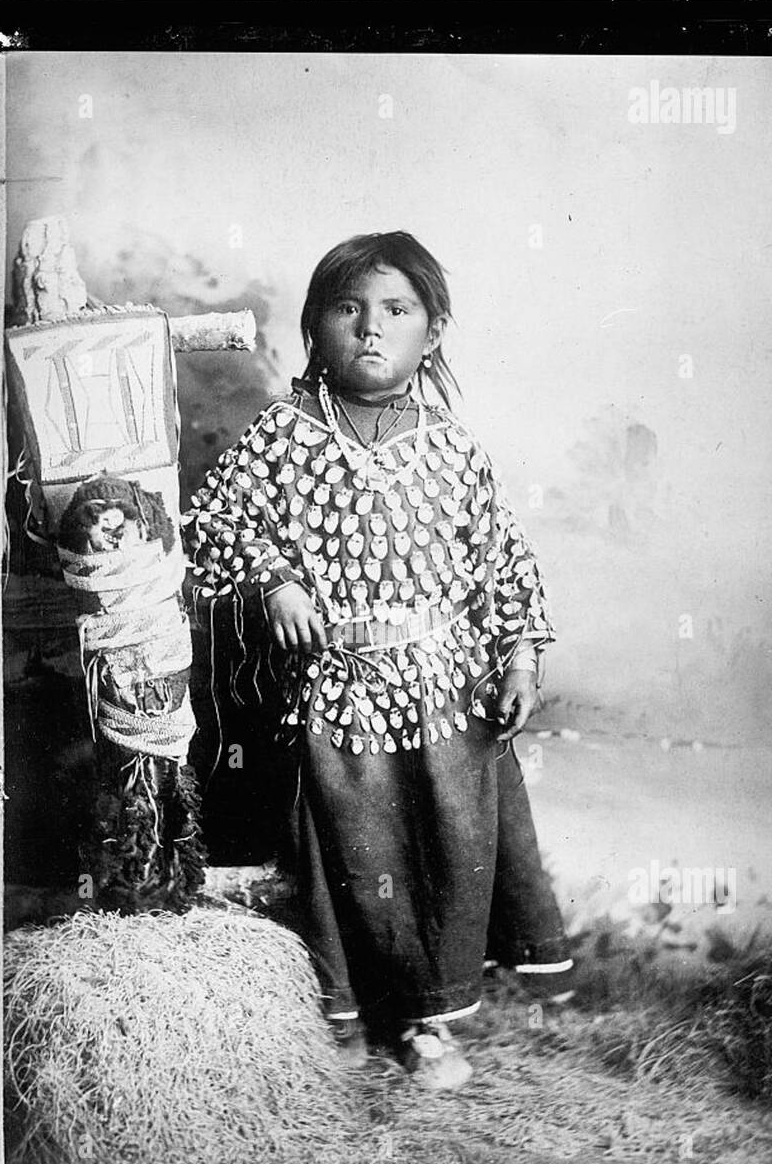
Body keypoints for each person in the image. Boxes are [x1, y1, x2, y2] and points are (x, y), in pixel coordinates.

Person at [185, 231, 573, 1090]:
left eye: (395, 310)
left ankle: (428, 1021)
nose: (370, 328)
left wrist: (517, 660)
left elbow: (504, 563)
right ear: (315, 328)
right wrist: (276, 579)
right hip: (337, 688)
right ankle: (347, 1017)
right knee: (349, 854)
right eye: (347, 309)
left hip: (441, 691)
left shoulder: (453, 447)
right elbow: (211, 527)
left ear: (431, 332)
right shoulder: (280, 437)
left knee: (442, 849)